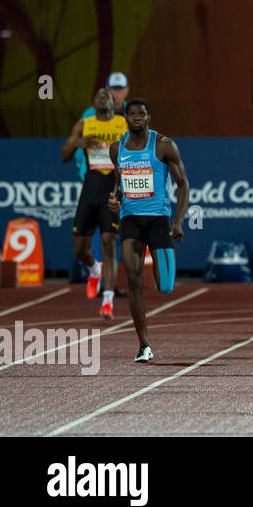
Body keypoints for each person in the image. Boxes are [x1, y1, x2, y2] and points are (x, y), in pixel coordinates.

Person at [105, 99, 190, 363]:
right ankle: (143, 344)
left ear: (149, 118)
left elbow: (183, 183)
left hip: (158, 219)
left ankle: (160, 267)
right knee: (133, 279)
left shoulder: (164, 145)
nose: (137, 118)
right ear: (125, 119)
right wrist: (115, 199)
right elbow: (118, 182)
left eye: (142, 114)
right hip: (130, 219)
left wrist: (178, 221)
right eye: (132, 115)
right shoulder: (117, 148)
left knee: (165, 285)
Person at [60, 87, 127, 318]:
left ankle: (107, 301)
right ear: (93, 102)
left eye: (107, 95)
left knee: (109, 243)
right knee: (80, 249)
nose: (102, 98)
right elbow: (64, 155)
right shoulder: (84, 125)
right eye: (98, 95)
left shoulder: (123, 124)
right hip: (90, 189)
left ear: (113, 102)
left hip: (113, 189)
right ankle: (94, 270)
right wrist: (80, 143)